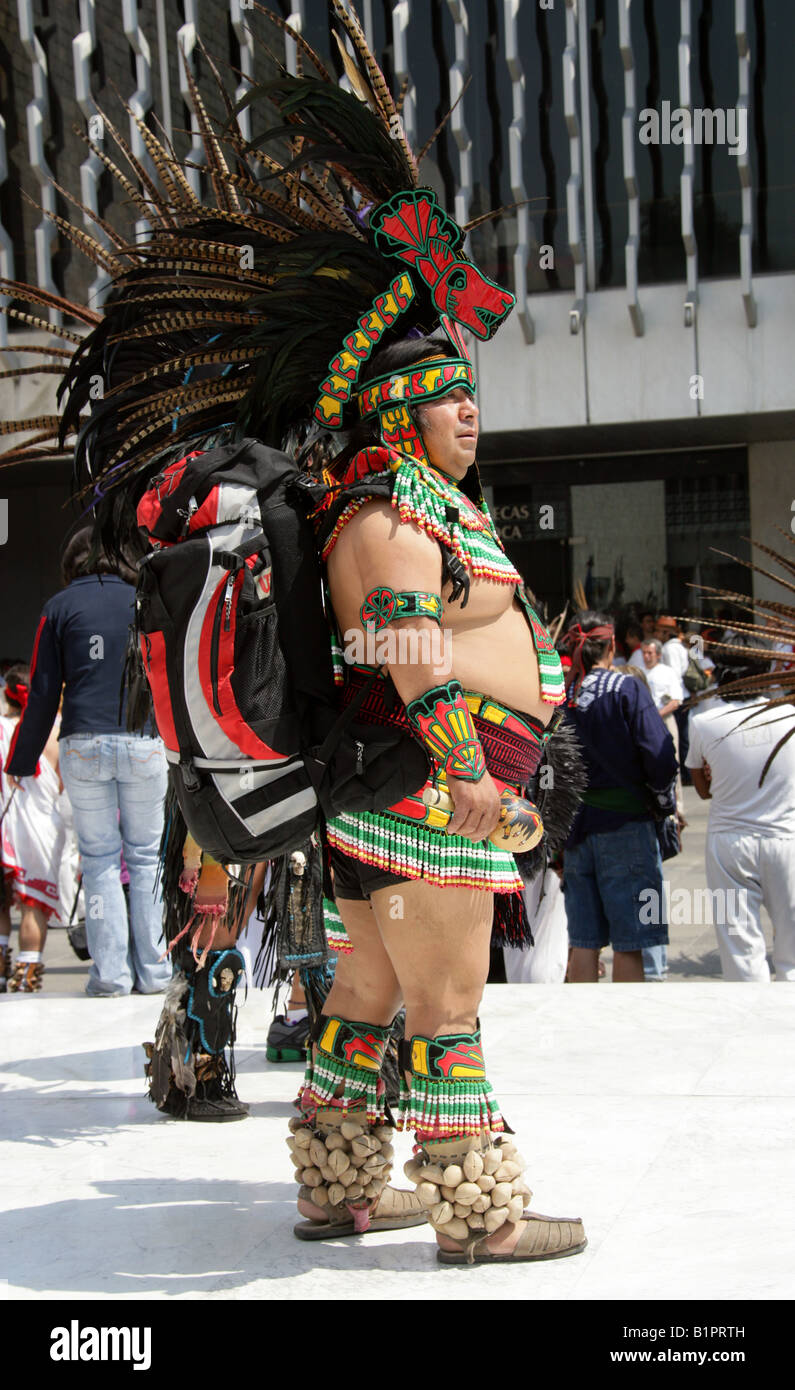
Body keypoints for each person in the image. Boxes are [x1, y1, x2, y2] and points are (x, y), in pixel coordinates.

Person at [4, 527, 171, 998]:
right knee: (144, 860)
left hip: (82, 744)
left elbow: (40, 693)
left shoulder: (58, 609)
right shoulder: (146, 601)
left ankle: (110, 976)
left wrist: (22, 761)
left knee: (99, 862)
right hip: (143, 740)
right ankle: (155, 973)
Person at [562, 613, 678, 982]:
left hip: (576, 831)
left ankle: (585, 1031)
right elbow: (659, 751)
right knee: (631, 942)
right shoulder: (625, 688)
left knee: (584, 941)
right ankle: (626, 1036)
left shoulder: (562, 695)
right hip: (626, 826)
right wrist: (663, 802)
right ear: (612, 647)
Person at [686, 633, 795, 982]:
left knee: (740, 950)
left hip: (729, 843)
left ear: (719, 671)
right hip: (786, 839)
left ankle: (752, 1027)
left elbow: (702, 790)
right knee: (792, 950)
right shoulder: (790, 716)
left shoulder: (704, 722)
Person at [0, 666, 73, 991]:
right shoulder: (56, 731)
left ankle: (2, 968)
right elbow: (63, 786)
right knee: (33, 905)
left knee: (2, 901)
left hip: (4, 826)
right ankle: (26, 976)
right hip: (41, 828)